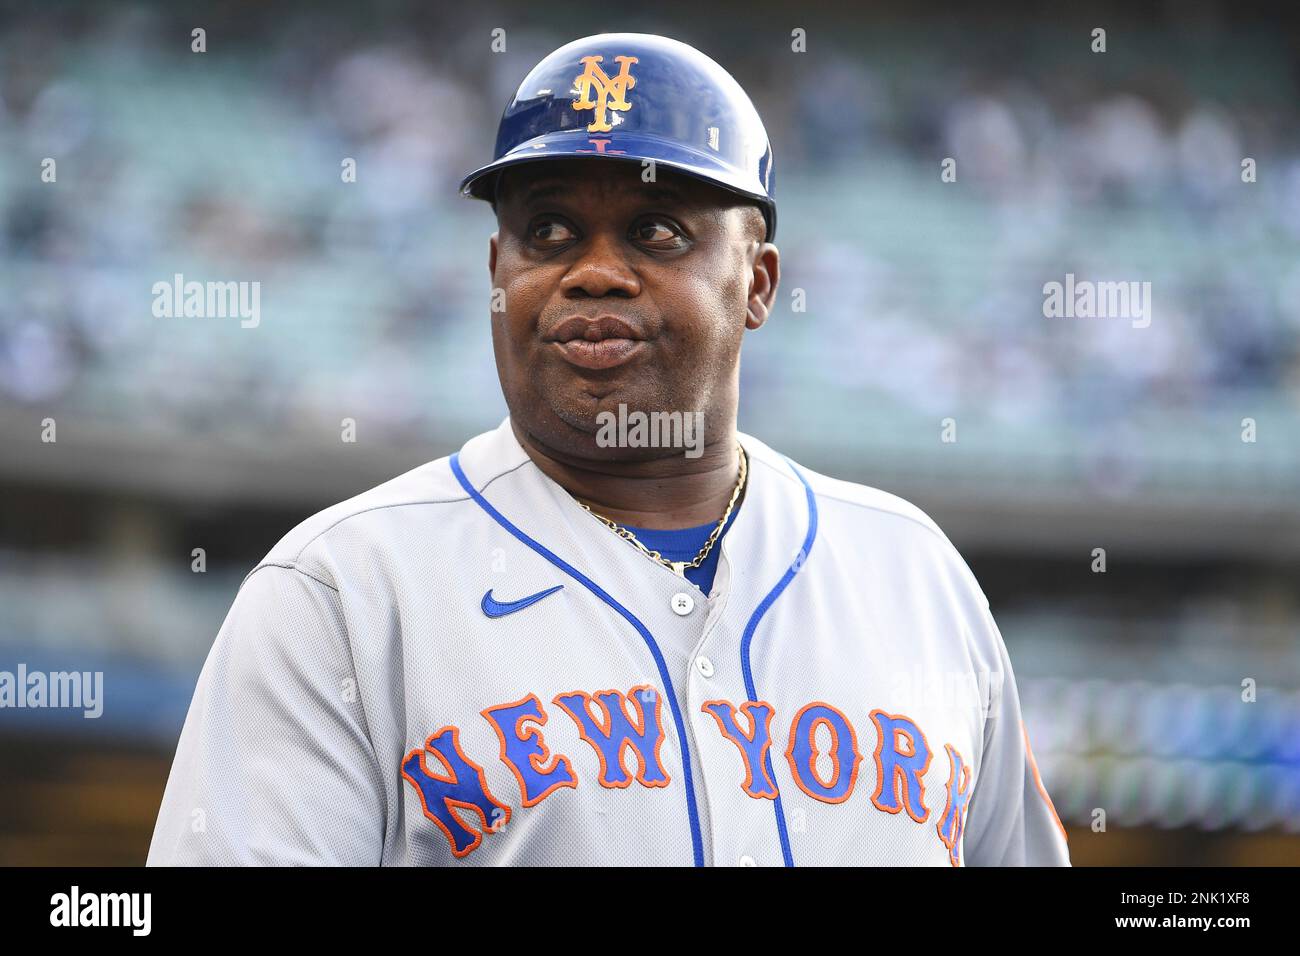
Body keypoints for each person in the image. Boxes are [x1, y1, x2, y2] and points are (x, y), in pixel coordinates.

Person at [147, 32, 1069, 866]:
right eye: (547, 231)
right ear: (497, 274)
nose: (592, 270)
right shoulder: (341, 591)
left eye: (654, 231)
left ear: (758, 283)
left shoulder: (915, 575)